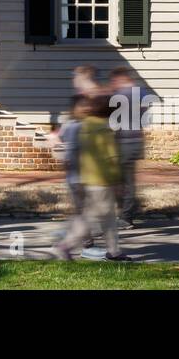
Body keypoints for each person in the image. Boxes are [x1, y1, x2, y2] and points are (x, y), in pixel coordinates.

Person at [76, 93, 130, 261]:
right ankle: (113, 252)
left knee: (88, 215)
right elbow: (112, 158)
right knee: (108, 219)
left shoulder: (84, 127)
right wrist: (118, 180)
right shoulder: (104, 129)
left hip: (87, 179)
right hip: (103, 180)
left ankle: (82, 244)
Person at [50, 94, 94, 259]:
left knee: (83, 211)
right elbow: (57, 138)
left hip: (81, 177)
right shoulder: (77, 126)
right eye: (83, 105)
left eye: (88, 105)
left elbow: (57, 138)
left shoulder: (77, 125)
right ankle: (74, 243)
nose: (87, 108)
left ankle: (71, 239)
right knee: (87, 212)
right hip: (79, 178)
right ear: (75, 108)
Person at [107, 67, 147, 226]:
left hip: (126, 142)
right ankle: (128, 210)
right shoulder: (140, 92)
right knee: (122, 180)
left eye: (114, 80)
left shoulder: (122, 95)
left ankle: (126, 217)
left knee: (124, 181)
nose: (112, 83)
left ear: (121, 78)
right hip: (133, 140)